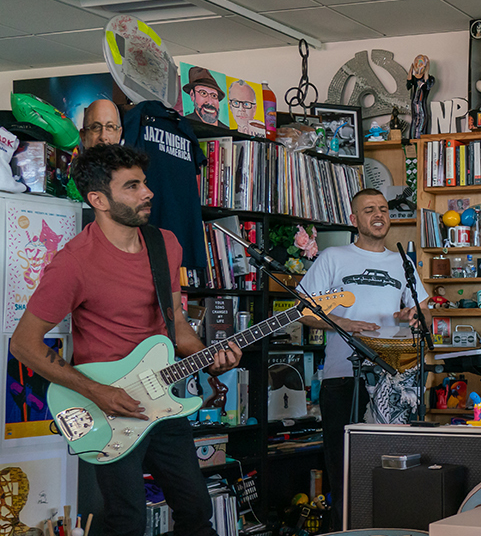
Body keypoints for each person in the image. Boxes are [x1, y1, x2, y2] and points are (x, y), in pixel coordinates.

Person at [9, 144, 242, 536]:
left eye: (144, 183)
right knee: (127, 520)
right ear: (98, 199)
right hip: (109, 410)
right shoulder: (73, 263)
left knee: (196, 509)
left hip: (162, 396)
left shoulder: (164, 244)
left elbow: (176, 322)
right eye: (132, 186)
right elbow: (23, 344)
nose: (147, 193)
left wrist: (209, 357)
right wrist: (97, 391)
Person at [297, 189, 416, 529]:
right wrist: (343, 323)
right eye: (369, 210)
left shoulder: (402, 262)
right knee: (345, 470)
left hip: (392, 381)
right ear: (354, 219)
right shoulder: (333, 257)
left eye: (383, 209)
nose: (378, 215)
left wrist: (412, 316)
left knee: (390, 468)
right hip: (342, 378)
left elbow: (421, 309)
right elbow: (303, 310)